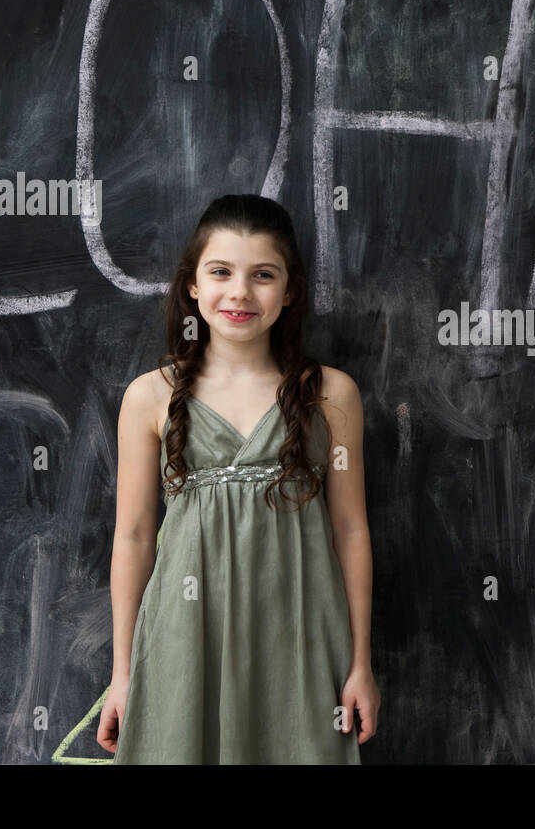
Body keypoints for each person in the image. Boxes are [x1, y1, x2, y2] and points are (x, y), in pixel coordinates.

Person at [96, 193, 380, 762]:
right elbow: (131, 537)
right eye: (221, 271)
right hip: (184, 636)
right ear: (194, 285)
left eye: (263, 275)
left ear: (290, 290)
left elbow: (350, 529)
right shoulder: (150, 396)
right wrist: (124, 673)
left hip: (300, 640)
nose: (240, 292)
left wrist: (360, 664)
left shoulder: (331, 394)